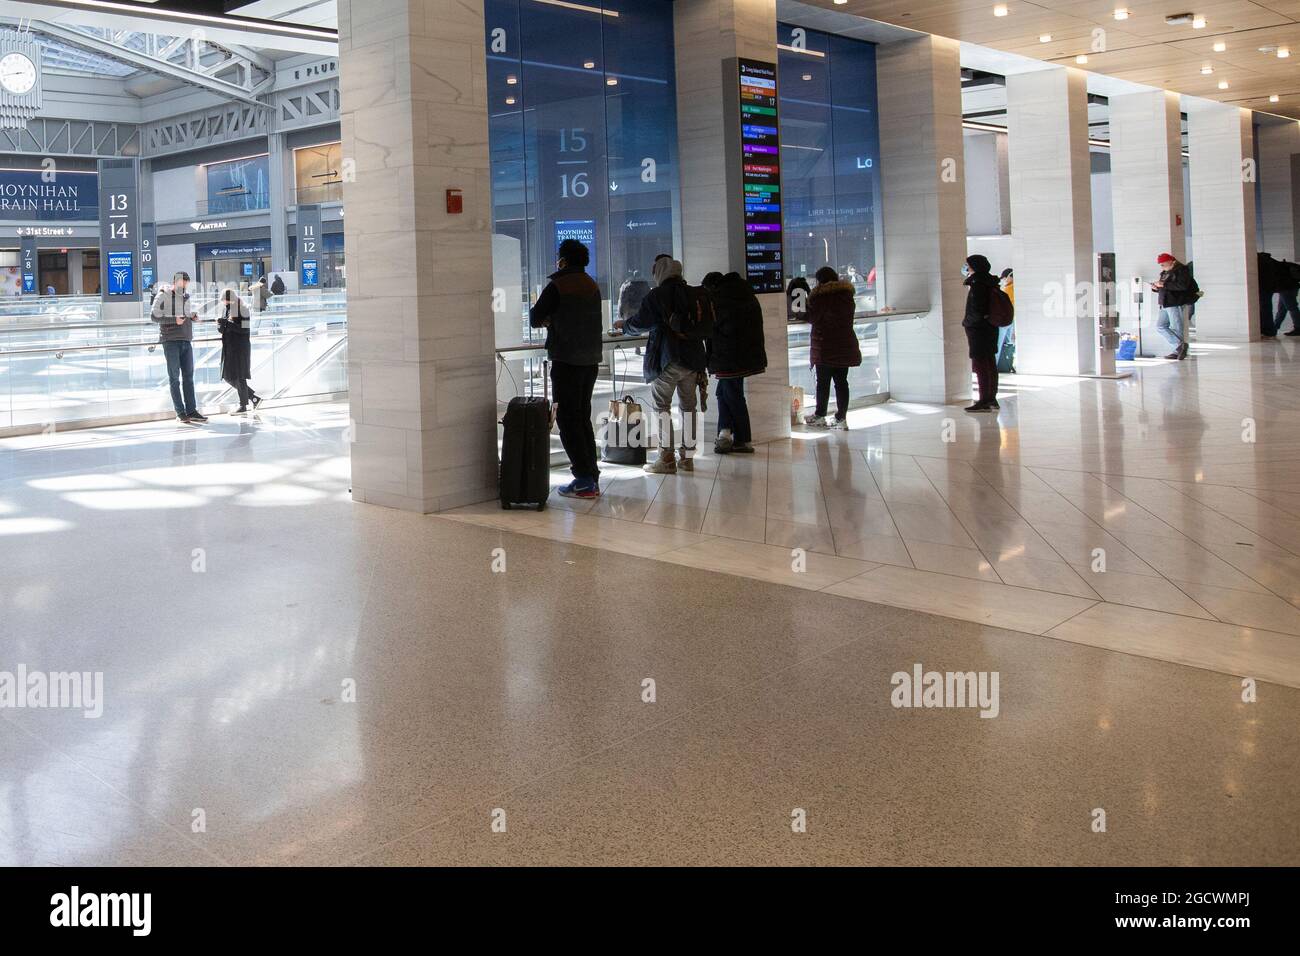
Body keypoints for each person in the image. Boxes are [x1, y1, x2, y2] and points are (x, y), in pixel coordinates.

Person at [617, 257, 706, 474]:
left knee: (662, 407)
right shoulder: (694, 293)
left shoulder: (656, 295)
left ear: (661, 273)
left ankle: (666, 457)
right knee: (688, 407)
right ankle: (688, 457)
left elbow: (640, 323)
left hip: (667, 358)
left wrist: (624, 326)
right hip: (693, 359)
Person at [529, 238, 603, 498]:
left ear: (564, 259)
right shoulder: (591, 284)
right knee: (582, 417)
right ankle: (590, 476)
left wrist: (552, 322)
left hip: (566, 359)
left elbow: (535, 317)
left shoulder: (558, 285)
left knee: (566, 419)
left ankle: (583, 478)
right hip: (590, 360)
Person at [702, 271, 766, 454]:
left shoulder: (722, 300)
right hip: (747, 355)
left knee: (732, 396)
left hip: (729, 357)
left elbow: (714, 327)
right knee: (723, 392)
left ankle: (743, 439)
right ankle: (725, 433)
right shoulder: (745, 294)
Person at [804, 266, 860, 429]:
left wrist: (801, 312)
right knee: (841, 382)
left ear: (819, 280)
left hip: (826, 346)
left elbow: (812, 317)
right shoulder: (847, 295)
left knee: (823, 383)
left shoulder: (820, 296)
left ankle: (820, 415)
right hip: (845, 344)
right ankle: (841, 418)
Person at [151, 271, 207, 424]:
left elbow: (184, 314)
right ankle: (180, 412)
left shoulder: (186, 297)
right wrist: (174, 320)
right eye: (182, 285)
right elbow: (153, 316)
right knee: (174, 378)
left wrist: (192, 317)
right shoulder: (162, 295)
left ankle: (191, 410)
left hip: (186, 340)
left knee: (188, 378)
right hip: (170, 341)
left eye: (186, 286)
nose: (184, 289)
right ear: (175, 283)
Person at [963, 254, 1001, 413]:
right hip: (990, 328)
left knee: (980, 365)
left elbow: (978, 309)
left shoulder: (978, 284)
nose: (966, 268)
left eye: (968, 265)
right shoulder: (990, 281)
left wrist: (968, 322)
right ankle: (991, 398)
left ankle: (984, 400)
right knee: (989, 363)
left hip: (979, 330)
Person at [218, 288, 260, 414]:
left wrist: (227, 324)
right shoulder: (228, 309)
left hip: (240, 348)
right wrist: (222, 324)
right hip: (230, 347)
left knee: (239, 376)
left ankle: (243, 405)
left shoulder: (243, 309)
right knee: (228, 375)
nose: (224, 303)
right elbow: (223, 329)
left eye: (225, 301)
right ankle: (253, 397)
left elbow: (245, 330)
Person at [1152, 252, 1195, 360]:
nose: (1161, 266)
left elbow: (1182, 286)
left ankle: (1178, 351)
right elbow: (1166, 288)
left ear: (1171, 261)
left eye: (1163, 263)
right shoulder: (1165, 273)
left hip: (1175, 302)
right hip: (1164, 303)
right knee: (1160, 326)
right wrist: (1156, 288)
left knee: (1176, 328)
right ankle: (1179, 347)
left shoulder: (1182, 270)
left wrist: (1163, 284)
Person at [1275, 259, 1300, 336]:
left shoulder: (1277, 268)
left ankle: (1298, 328)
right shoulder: (1285, 266)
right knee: (1282, 309)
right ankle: (1274, 327)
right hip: (1291, 288)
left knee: (1292, 308)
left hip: (1285, 289)